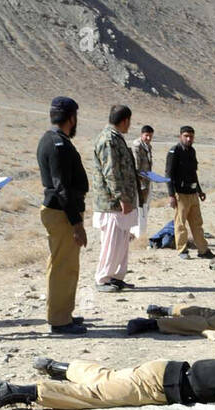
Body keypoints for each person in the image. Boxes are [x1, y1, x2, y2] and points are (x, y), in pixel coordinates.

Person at [0, 320, 215, 410]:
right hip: (156, 386)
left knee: (106, 379)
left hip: (163, 374)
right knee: (94, 396)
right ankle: (13, 392)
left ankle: (60, 367)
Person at [37, 96, 90, 335]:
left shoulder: (52, 139)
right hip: (61, 212)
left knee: (66, 266)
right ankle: (59, 321)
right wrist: (76, 223)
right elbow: (61, 188)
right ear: (71, 118)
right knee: (62, 267)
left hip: (61, 210)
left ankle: (63, 313)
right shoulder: (57, 144)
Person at [91, 105, 139, 293]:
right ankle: (103, 278)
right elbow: (111, 172)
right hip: (112, 203)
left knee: (121, 242)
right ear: (125, 120)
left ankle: (117, 276)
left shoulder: (116, 138)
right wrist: (121, 197)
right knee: (112, 242)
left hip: (122, 201)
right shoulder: (108, 139)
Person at [165, 126, 214, 259]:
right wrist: (171, 195)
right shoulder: (174, 151)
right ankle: (182, 250)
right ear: (180, 136)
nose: (188, 139)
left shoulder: (192, 151)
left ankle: (203, 250)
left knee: (197, 223)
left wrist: (199, 191)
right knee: (181, 224)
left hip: (192, 193)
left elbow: (193, 173)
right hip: (180, 194)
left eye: (191, 136)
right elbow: (169, 174)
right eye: (186, 136)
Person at [132, 124, 154, 239]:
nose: (149, 138)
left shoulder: (148, 146)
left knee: (145, 207)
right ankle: (138, 234)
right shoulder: (137, 145)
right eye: (147, 136)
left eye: (150, 136)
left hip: (147, 181)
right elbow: (136, 166)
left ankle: (141, 233)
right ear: (142, 134)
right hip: (140, 182)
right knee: (140, 208)